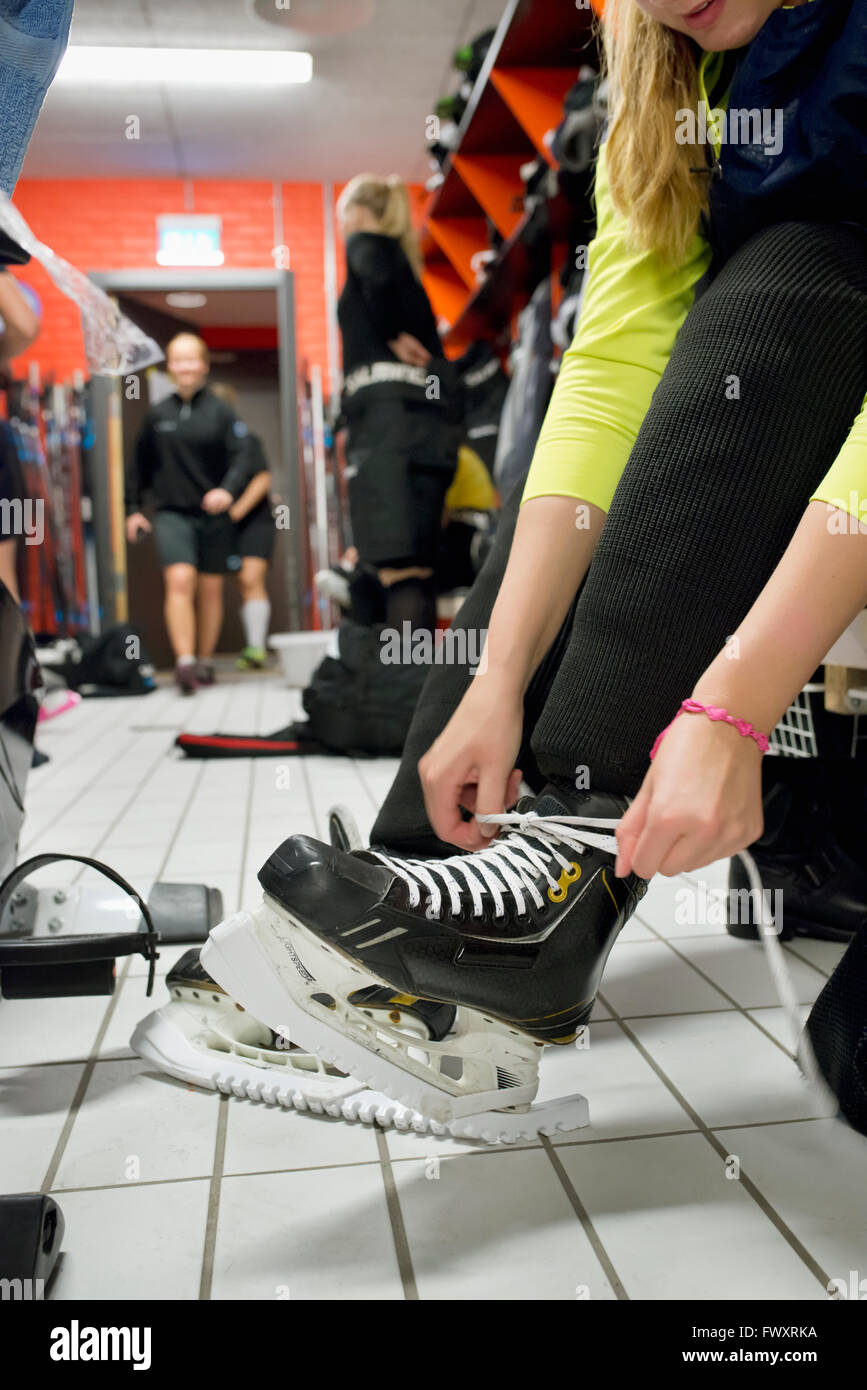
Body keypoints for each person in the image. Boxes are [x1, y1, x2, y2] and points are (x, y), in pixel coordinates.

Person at [205, 0, 867, 1126]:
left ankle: (551, 890)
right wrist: (496, 679)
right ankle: (419, 902)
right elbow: (608, 378)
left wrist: (737, 709)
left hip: (823, 336)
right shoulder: (667, 83)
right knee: (632, 415)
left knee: (793, 275)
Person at [336, 173, 457, 641]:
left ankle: (401, 699)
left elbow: (375, 282)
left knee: (395, 566)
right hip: (423, 434)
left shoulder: (367, 244)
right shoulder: (406, 264)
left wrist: (387, 333)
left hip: (389, 435)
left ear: (356, 212)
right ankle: (413, 698)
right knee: (416, 566)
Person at [125, 334, 250, 694]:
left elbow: (243, 457)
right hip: (171, 514)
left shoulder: (221, 412)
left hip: (212, 516)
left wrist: (226, 490)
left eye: (191, 359)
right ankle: (184, 663)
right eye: (177, 360)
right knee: (180, 581)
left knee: (210, 590)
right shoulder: (156, 416)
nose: (185, 367)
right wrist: (133, 509)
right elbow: (138, 468)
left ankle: (205, 660)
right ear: (170, 366)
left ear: (204, 365)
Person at [210, 383, 274, 671]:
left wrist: (236, 512)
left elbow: (262, 479)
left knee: (250, 579)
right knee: (215, 584)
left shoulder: (246, 440)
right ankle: (202, 657)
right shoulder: (201, 447)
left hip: (253, 520)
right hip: (216, 523)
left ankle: (256, 649)